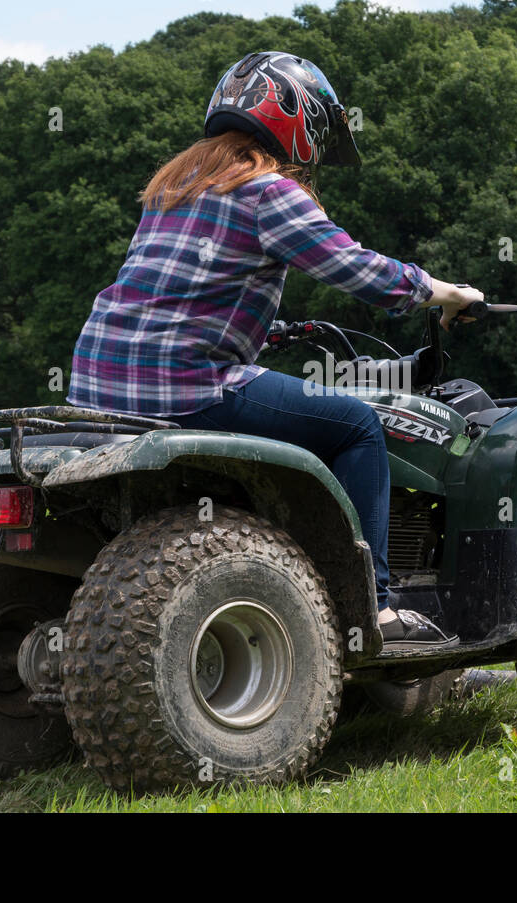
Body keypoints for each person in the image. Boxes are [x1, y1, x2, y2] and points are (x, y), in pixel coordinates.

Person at [67, 51, 482, 650]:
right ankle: (375, 608)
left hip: (97, 386)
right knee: (358, 426)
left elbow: (179, 286)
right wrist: (444, 292)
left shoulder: (175, 187)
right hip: (191, 386)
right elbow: (356, 269)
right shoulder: (268, 190)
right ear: (298, 119)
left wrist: (270, 325)